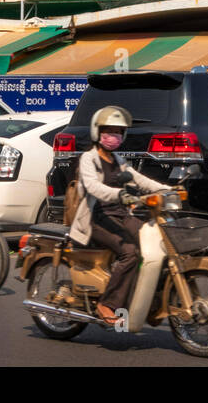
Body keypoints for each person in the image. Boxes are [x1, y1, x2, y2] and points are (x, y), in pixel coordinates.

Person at [68, 105, 171, 327]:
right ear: (97, 132)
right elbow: (93, 187)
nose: (113, 136)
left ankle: (143, 299)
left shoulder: (118, 159)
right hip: (96, 218)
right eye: (109, 131)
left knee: (157, 243)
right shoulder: (88, 158)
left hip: (120, 214)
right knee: (130, 253)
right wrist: (119, 194)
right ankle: (107, 304)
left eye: (118, 132)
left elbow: (139, 179)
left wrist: (167, 190)